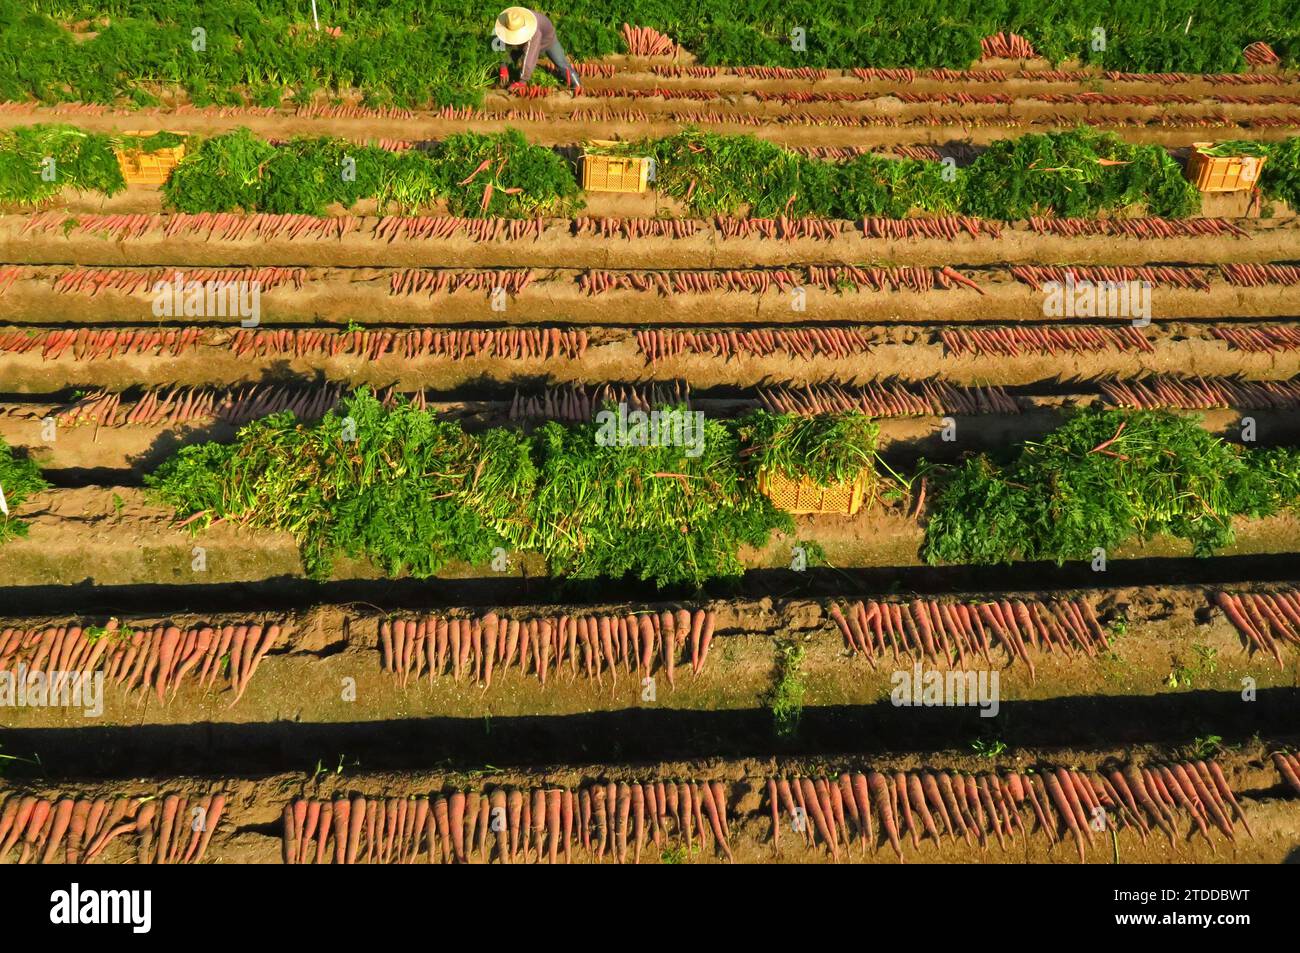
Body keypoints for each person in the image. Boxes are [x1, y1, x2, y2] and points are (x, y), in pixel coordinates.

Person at [494, 7, 582, 92]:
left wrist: (523, 81)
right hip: (523, 42)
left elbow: (530, 56)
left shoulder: (533, 32)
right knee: (509, 58)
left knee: (561, 63)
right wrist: (503, 66)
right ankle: (508, 77)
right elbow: (498, 43)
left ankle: (577, 86)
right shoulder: (509, 21)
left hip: (548, 41)